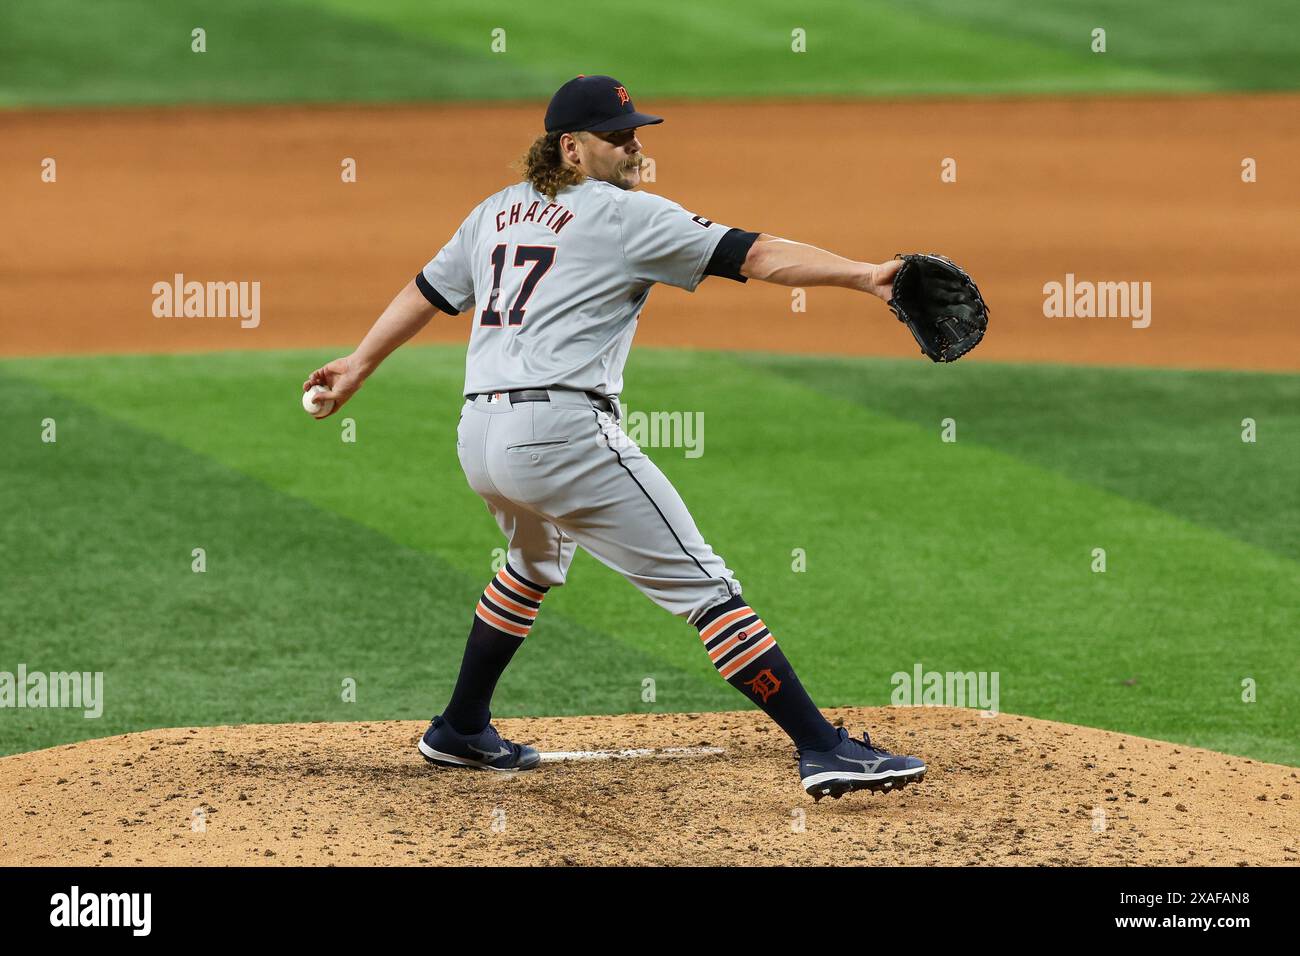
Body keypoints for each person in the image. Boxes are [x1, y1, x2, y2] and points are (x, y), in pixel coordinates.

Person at [304, 75, 925, 800]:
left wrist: (359, 363)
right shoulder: (623, 217)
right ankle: (823, 748)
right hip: (560, 436)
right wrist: (866, 276)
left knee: (532, 563)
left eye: (636, 132)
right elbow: (753, 255)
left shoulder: (497, 213)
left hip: (479, 436)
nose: (635, 146)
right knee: (706, 586)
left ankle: (461, 727)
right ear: (570, 148)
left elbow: (428, 291)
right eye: (618, 135)